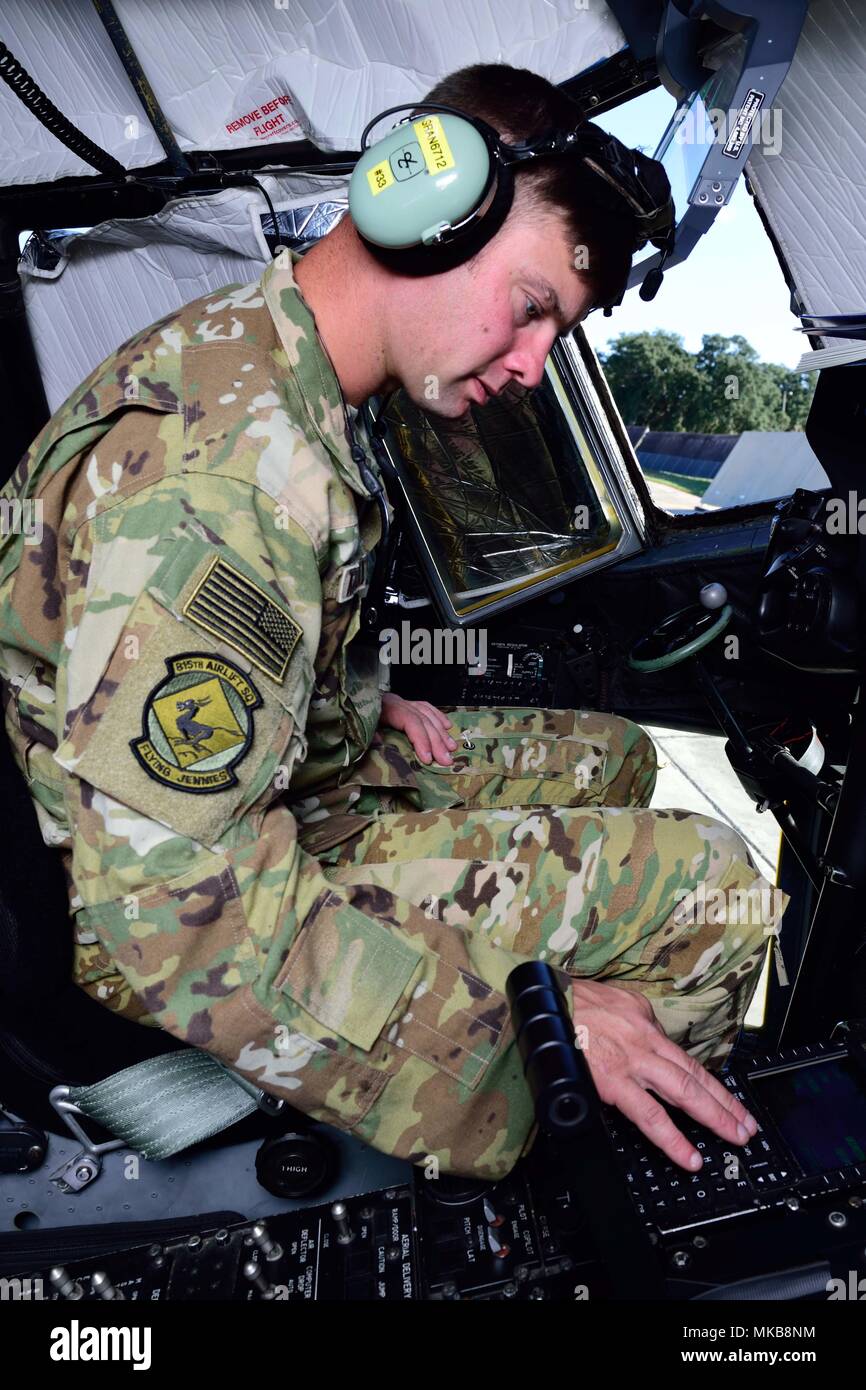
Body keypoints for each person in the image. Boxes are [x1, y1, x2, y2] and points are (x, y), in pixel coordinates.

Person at [0, 64, 782, 1181]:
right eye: (530, 309)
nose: (528, 367)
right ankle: (607, 1182)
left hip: (298, 793)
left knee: (618, 755)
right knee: (719, 887)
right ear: (423, 217)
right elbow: (169, 931)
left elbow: (233, 645)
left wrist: (344, 694)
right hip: (235, 892)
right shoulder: (224, 480)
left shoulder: (276, 371)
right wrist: (521, 1037)